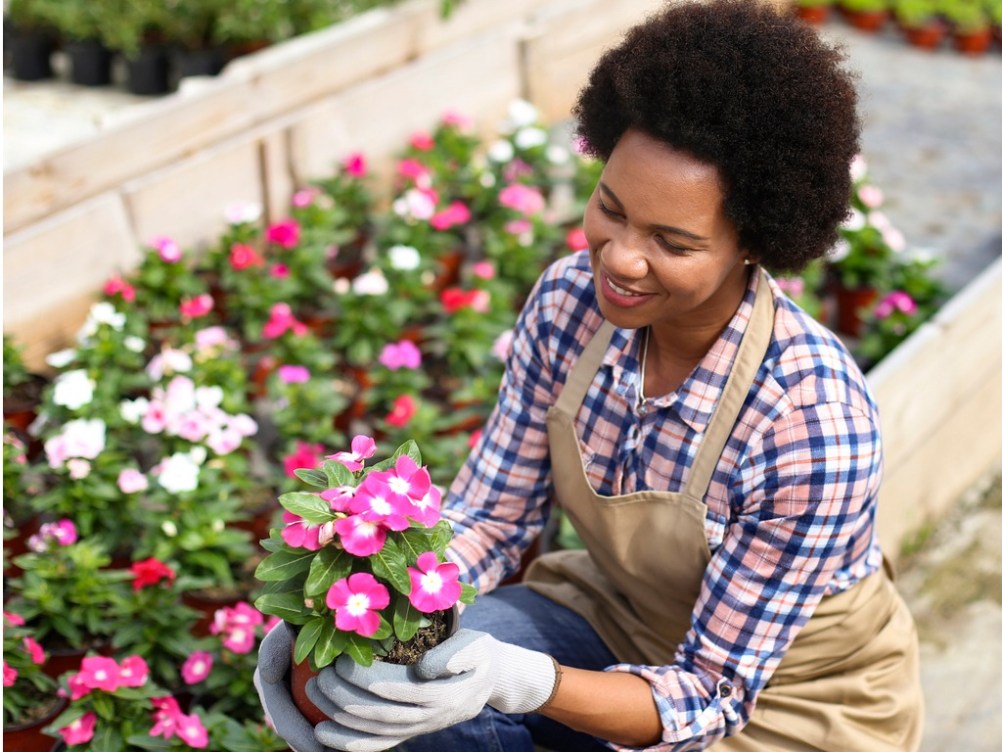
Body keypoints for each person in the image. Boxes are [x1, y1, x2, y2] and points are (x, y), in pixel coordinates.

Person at [255, 0, 924, 749]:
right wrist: (354, 612)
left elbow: (713, 693)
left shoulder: (810, 421)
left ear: (754, 243)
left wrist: (526, 681)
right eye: (611, 207)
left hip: (785, 698)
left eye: (672, 242)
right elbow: (492, 517)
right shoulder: (570, 305)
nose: (620, 258)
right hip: (615, 617)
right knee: (396, 694)